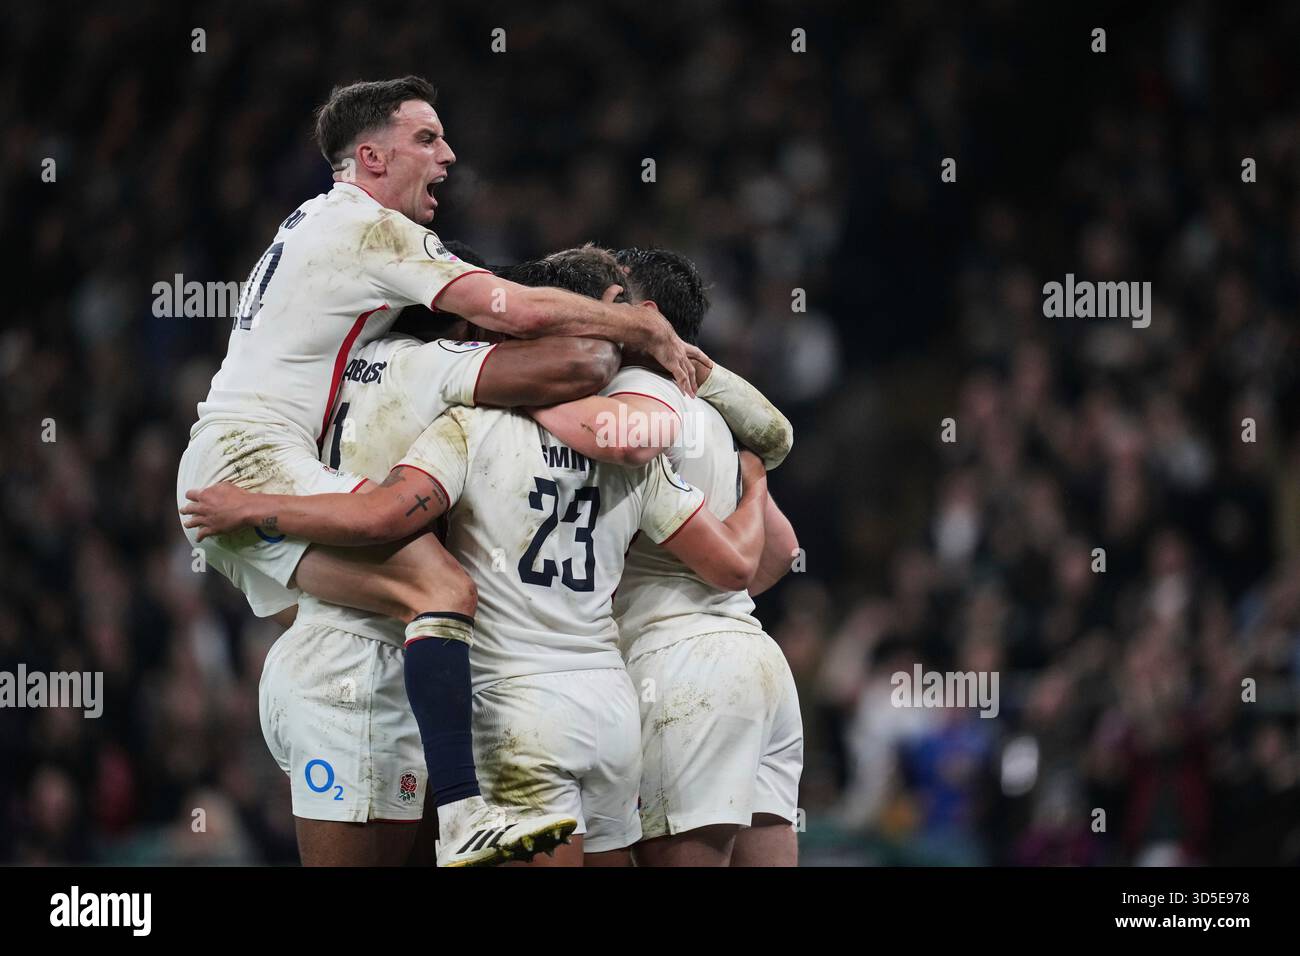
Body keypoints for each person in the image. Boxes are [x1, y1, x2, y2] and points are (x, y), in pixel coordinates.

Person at [177, 77, 696, 864]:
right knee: (441, 589)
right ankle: (464, 813)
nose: (448, 155)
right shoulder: (367, 234)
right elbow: (514, 314)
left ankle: (454, 808)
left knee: (410, 603)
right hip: (254, 466)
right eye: (427, 139)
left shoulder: (319, 236)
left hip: (294, 560)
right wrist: (642, 328)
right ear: (370, 157)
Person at [183, 248, 772, 866]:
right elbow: (740, 561)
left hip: (497, 703)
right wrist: (745, 459)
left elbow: (385, 513)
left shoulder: (442, 413)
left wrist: (257, 509)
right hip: (606, 702)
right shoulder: (630, 448)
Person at [534, 247, 803, 865]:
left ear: (645, 314)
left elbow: (625, 442)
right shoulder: (716, 416)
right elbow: (782, 551)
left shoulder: (628, 396)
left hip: (677, 669)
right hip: (756, 657)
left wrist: (525, 396)